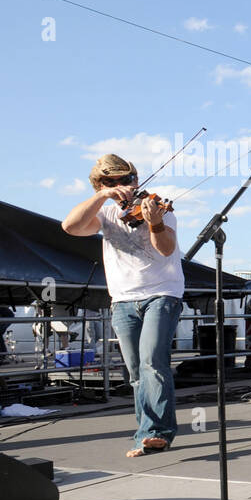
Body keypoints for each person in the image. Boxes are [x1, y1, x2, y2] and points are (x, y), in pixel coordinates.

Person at [62, 154, 184, 457]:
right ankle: (147, 434)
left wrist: (154, 223)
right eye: (111, 182)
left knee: (152, 360)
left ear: (136, 180)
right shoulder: (105, 215)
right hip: (123, 299)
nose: (122, 186)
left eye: (126, 179)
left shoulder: (160, 209)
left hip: (162, 292)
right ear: (100, 185)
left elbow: (166, 250)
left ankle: (156, 433)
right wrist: (103, 197)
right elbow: (70, 227)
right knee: (135, 371)